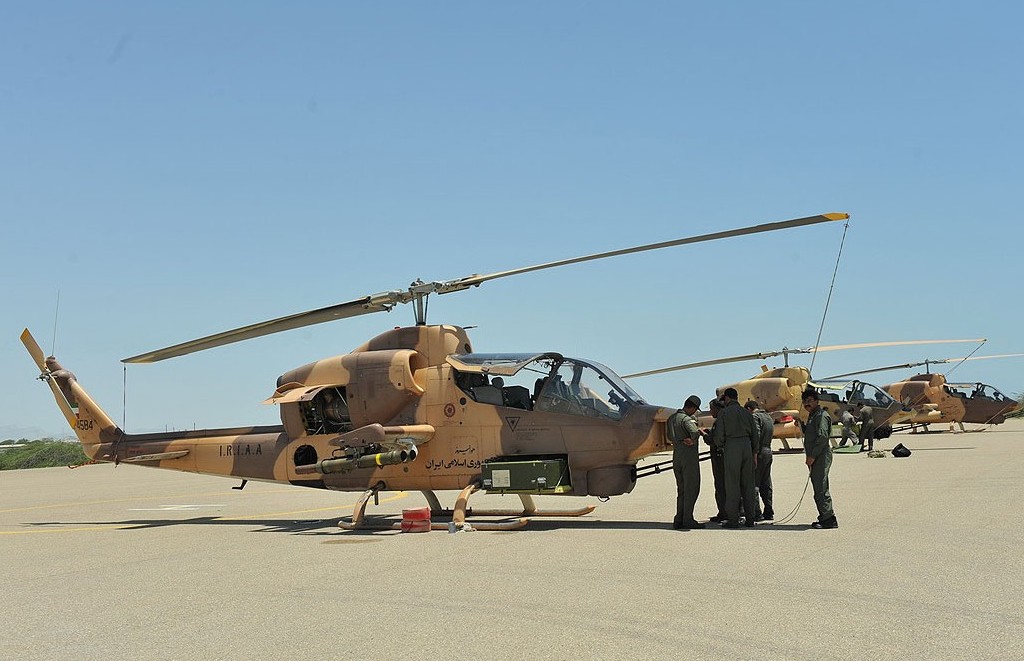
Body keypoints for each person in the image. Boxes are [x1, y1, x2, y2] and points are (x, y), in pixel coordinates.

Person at [713, 388, 758, 528]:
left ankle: (733, 520)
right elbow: (755, 435)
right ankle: (750, 519)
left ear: (726, 398)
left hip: (732, 447)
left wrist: (720, 445)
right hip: (747, 447)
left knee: (732, 485)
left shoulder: (724, 413)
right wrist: (754, 452)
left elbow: (719, 436)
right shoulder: (747, 413)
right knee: (748, 485)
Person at [803, 389, 838, 529]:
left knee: (820, 487)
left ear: (817, 401)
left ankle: (828, 519)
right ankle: (824, 516)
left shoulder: (821, 415)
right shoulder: (813, 416)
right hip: (816, 455)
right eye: (805, 401)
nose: (807, 404)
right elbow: (813, 434)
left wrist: (812, 455)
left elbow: (822, 436)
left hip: (820, 455)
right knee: (818, 486)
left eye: (810, 401)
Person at [667, 395, 703, 529]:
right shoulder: (687, 420)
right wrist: (693, 438)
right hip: (689, 457)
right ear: (692, 407)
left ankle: (679, 519)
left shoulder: (671, 419)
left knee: (681, 490)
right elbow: (694, 432)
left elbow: (669, 437)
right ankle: (688, 519)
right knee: (691, 488)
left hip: (677, 456)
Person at [745, 400, 774, 521]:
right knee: (766, 483)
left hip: (759, 452)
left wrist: (754, 454)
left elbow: (756, 435)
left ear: (749, 409)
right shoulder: (767, 417)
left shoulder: (755, 417)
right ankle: (769, 510)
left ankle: (757, 513)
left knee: (754, 483)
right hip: (768, 451)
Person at [702, 398, 728, 523]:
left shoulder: (719, 422)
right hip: (727, 456)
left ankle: (723, 512)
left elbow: (714, 440)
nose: (710, 411)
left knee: (721, 485)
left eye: (711, 408)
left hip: (719, 457)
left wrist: (704, 435)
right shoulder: (727, 420)